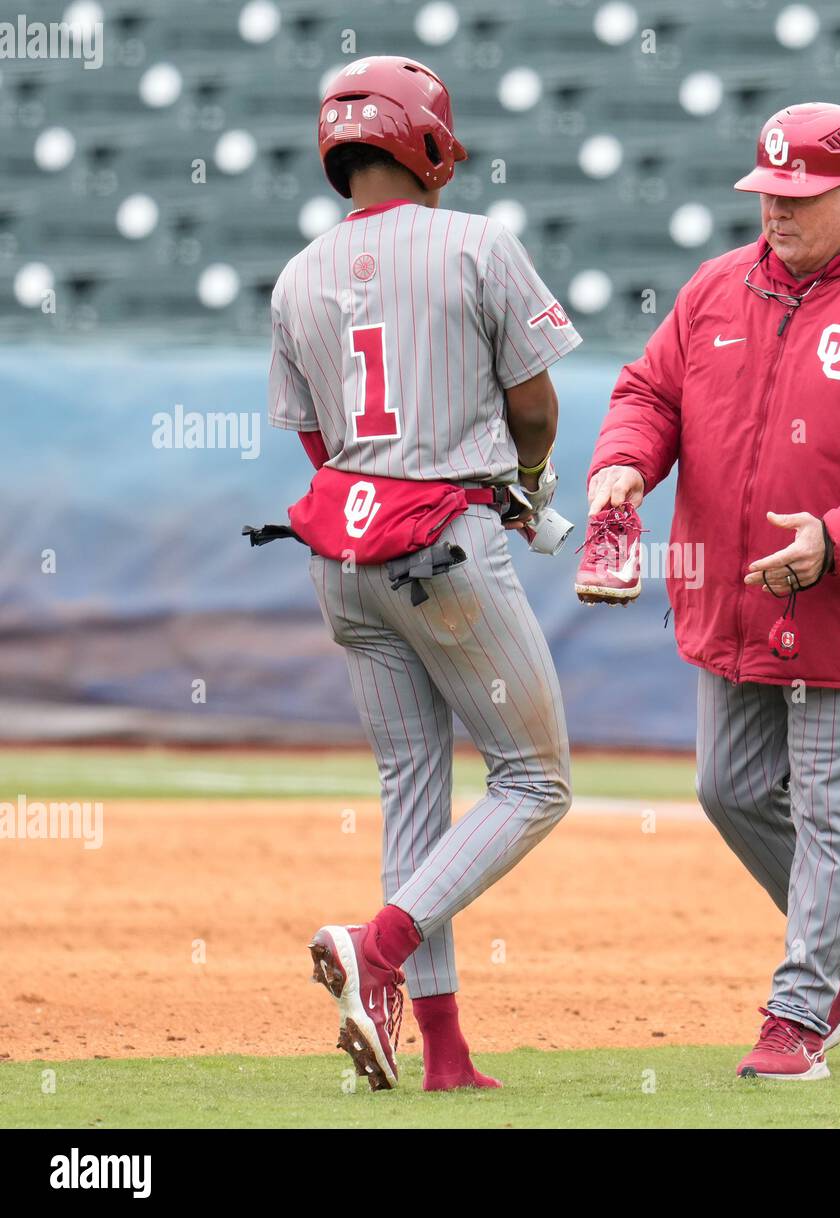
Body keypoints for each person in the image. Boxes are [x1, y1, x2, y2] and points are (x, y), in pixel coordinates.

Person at [580, 102, 840, 1079]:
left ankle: (801, 1011)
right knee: (727, 790)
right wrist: (624, 465)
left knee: (831, 808)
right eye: (767, 192)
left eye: (799, 195)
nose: (777, 211)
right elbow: (647, 392)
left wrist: (835, 542)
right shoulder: (717, 287)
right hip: (737, 598)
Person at [265, 56, 581, 1091]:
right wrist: (530, 481)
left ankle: (441, 1053)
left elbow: (316, 446)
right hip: (446, 539)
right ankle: (380, 944)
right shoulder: (478, 242)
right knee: (534, 780)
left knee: (412, 793)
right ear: (427, 143)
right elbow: (534, 408)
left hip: (345, 556)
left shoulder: (296, 275)